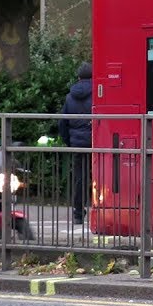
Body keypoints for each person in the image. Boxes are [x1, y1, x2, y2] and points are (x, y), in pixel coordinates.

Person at [59, 62, 94, 225]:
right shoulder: (98, 92)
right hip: (96, 142)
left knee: (80, 177)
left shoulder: (69, 96)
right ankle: (102, 209)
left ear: (78, 77)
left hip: (77, 143)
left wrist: (69, 141)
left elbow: (63, 123)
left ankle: (78, 214)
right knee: (101, 174)